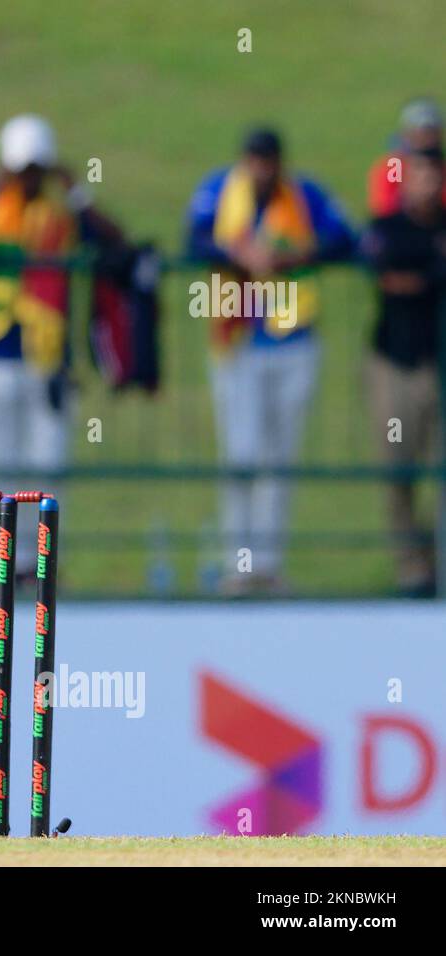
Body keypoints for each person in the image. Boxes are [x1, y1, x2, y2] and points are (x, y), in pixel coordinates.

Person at [185, 128, 356, 594]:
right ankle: (238, 565)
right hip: (238, 340)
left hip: (292, 337)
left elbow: (346, 238)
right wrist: (236, 252)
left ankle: (269, 565)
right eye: (254, 161)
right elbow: (193, 241)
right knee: (240, 454)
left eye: (269, 162)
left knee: (279, 458)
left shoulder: (304, 195)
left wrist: (296, 255)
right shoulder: (220, 191)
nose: (261, 171)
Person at [0, 114, 122, 577]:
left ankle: (40, 560)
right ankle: (9, 559)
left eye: (35, 170)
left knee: (48, 463)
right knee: (0, 462)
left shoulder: (63, 211)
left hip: (49, 357)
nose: (27, 179)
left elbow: (114, 240)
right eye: (20, 170)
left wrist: (76, 193)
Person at [362, 145, 446, 596]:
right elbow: (383, 273)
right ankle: (411, 566)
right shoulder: (387, 228)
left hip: (439, 366)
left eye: (434, 174)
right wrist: (430, 276)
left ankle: (439, 559)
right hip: (395, 363)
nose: (426, 183)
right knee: (398, 466)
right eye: (418, 174)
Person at [367, 98, 446, 217]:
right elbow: (384, 207)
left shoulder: (440, 167)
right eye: (420, 133)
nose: (426, 139)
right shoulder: (395, 166)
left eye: (431, 132)